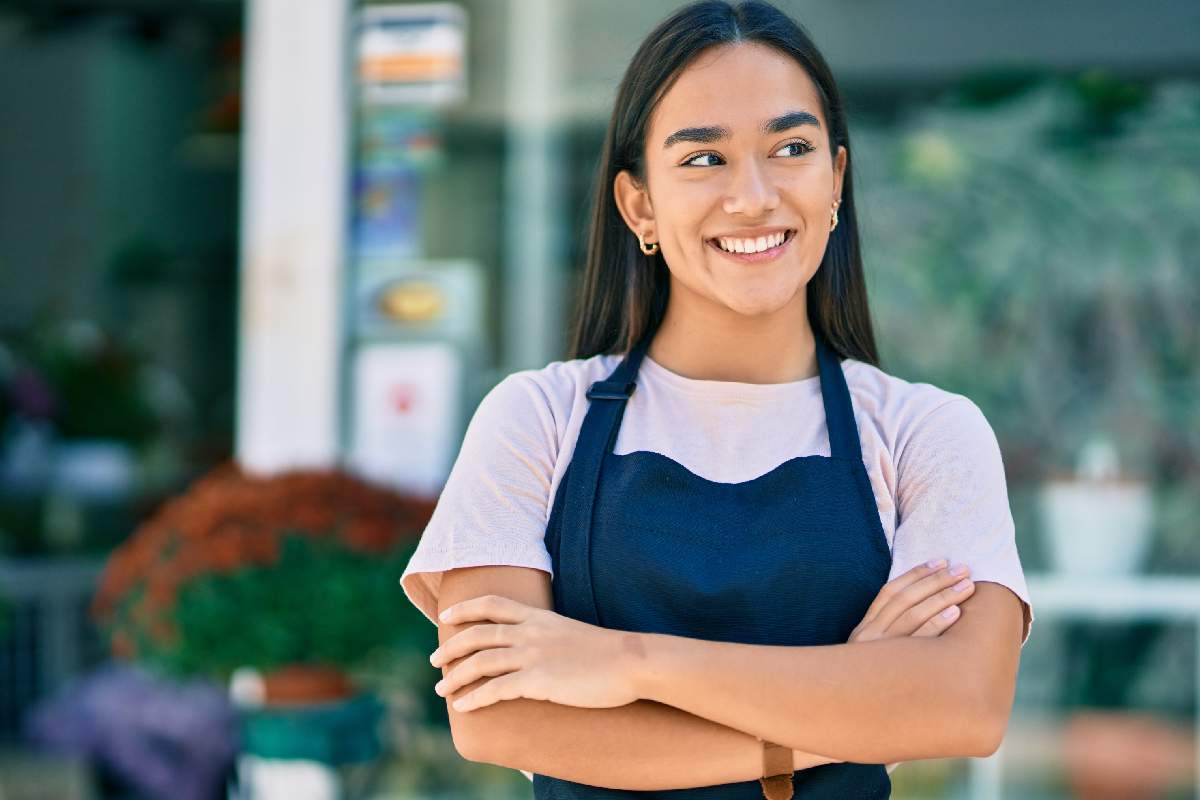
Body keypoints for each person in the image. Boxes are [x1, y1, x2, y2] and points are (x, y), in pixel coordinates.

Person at [401, 1, 1034, 797]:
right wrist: (850, 701)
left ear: (835, 180)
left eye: (792, 148)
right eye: (705, 159)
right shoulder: (535, 419)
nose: (755, 197)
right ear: (639, 206)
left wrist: (625, 662)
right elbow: (500, 719)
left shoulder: (927, 433)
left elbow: (966, 708)